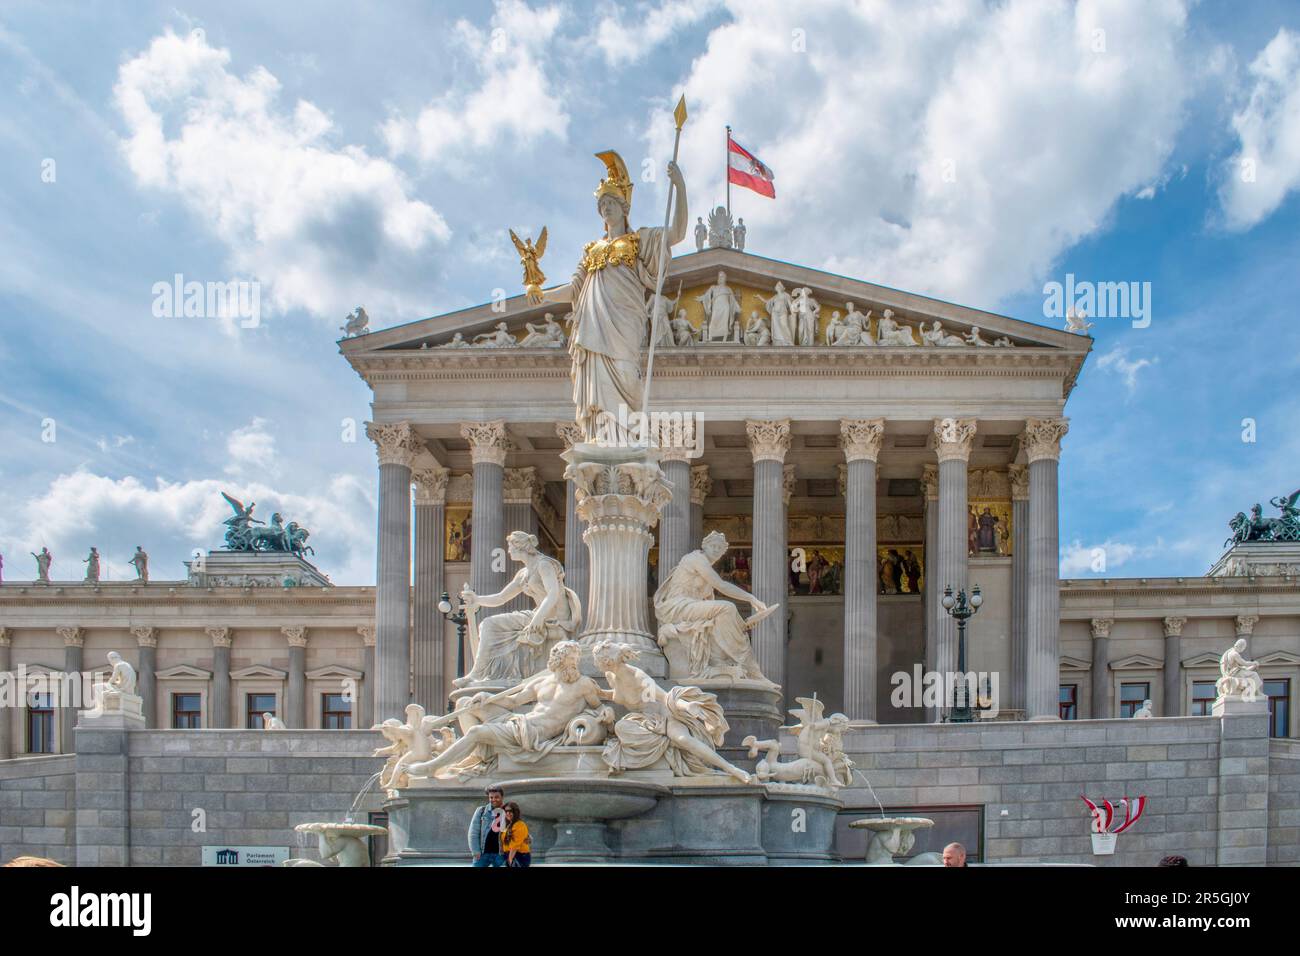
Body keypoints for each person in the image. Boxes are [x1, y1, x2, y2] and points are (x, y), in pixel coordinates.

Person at [468, 785, 507, 867]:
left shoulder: (508, 811)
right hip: (482, 854)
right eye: (491, 797)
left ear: (502, 797)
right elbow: (473, 833)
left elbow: (516, 829)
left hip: (501, 855)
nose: (493, 800)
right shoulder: (481, 811)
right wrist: (475, 851)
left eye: (496, 797)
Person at [501, 802, 531, 868]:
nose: (507, 813)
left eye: (510, 811)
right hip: (510, 855)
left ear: (516, 812)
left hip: (519, 856)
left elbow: (515, 846)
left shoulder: (520, 825)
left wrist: (510, 861)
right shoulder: (509, 825)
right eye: (506, 811)